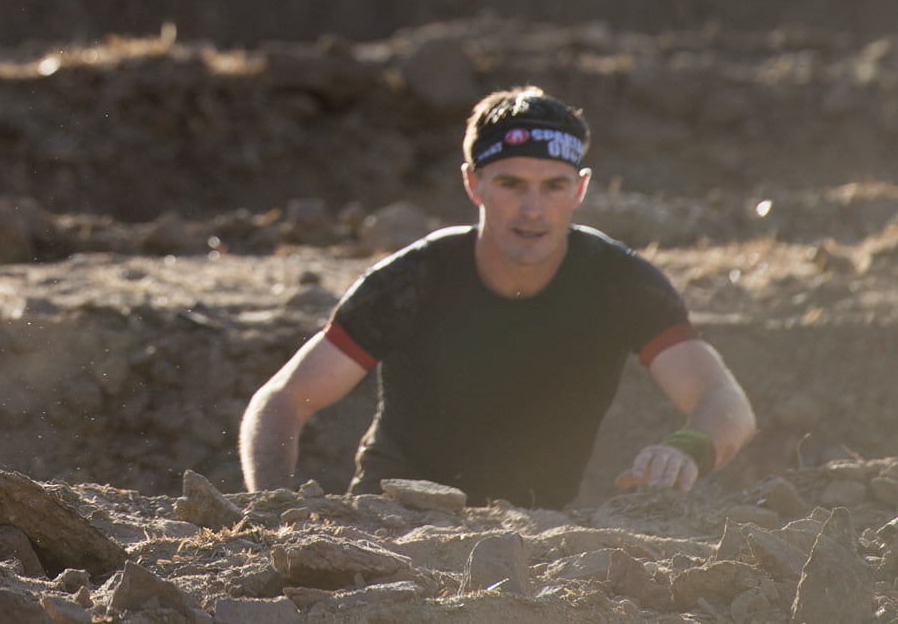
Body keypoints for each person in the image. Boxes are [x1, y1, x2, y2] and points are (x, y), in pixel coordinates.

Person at [239, 87, 754, 507]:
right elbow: (282, 399)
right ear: (473, 183)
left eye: (553, 186)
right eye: (511, 183)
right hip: (391, 531)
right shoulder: (412, 279)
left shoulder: (618, 281)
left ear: (580, 189)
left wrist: (688, 448)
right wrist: (274, 507)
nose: (533, 208)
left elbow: (726, 403)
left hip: (533, 541)